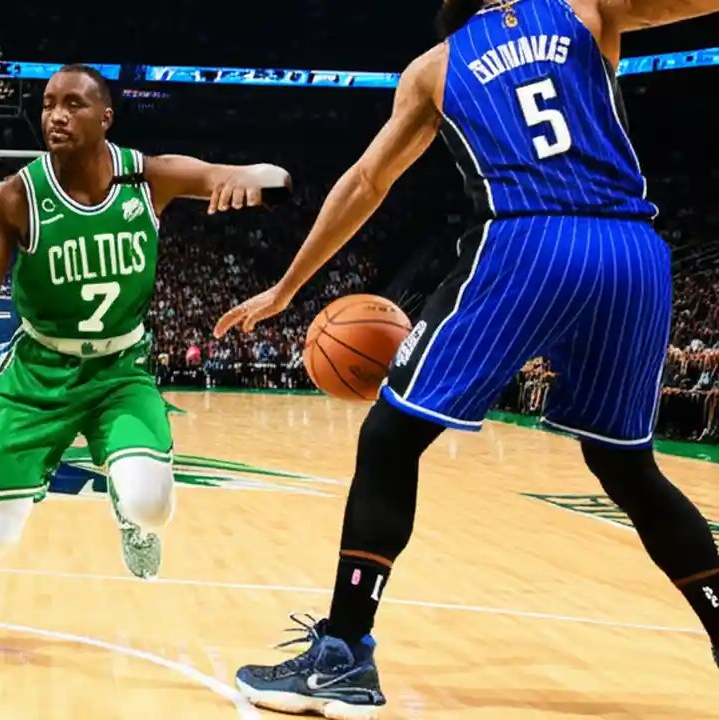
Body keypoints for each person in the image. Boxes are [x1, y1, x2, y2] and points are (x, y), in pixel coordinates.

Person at [214, 0, 719, 716]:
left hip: (528, 240)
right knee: (628, 467)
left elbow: (365, 183)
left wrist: (288, 287)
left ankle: (343, 657)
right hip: (633, 252)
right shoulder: (585, 9)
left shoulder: (435, 67)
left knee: (391, 438)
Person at [0, 64, 291, 653]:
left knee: (152, 508)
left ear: (106, 117)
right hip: (40, 372)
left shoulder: (149, 178)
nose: (56, 115)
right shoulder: (15, 199)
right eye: (47, 104)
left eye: (73, 104)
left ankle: (126, 510)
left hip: (120, 370)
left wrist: (255, 180)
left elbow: (273, 178)